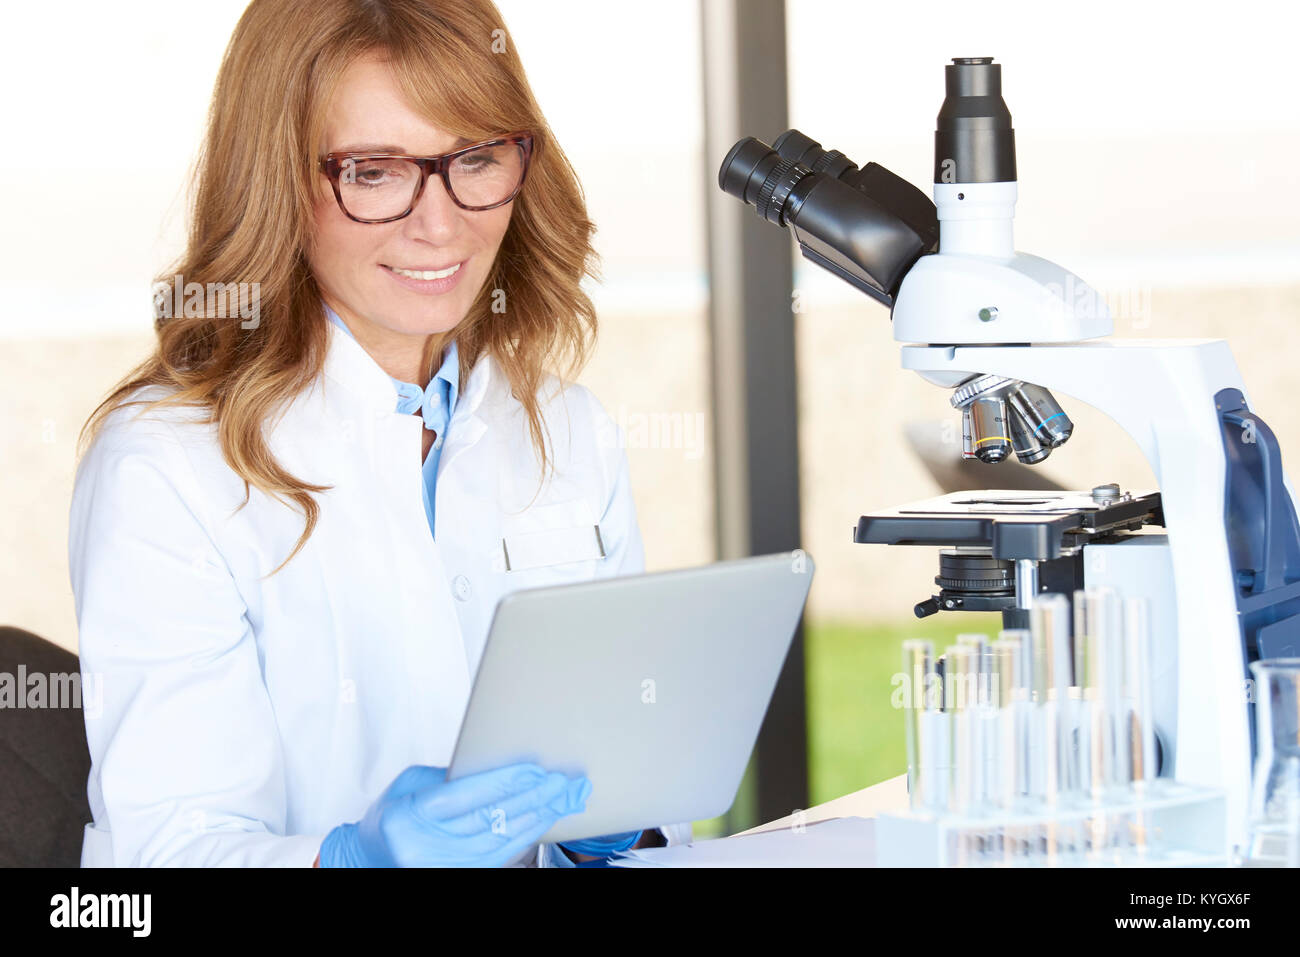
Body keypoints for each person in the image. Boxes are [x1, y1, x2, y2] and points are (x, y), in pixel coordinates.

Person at [68, 0, 691, 867]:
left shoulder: (567, 430)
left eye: (474, 159)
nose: (440, 224)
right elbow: (168, 851)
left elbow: (647, 797)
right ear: (276, 182)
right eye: (371, 171)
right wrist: (351, 860)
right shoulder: (167, 464)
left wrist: (620, 824)